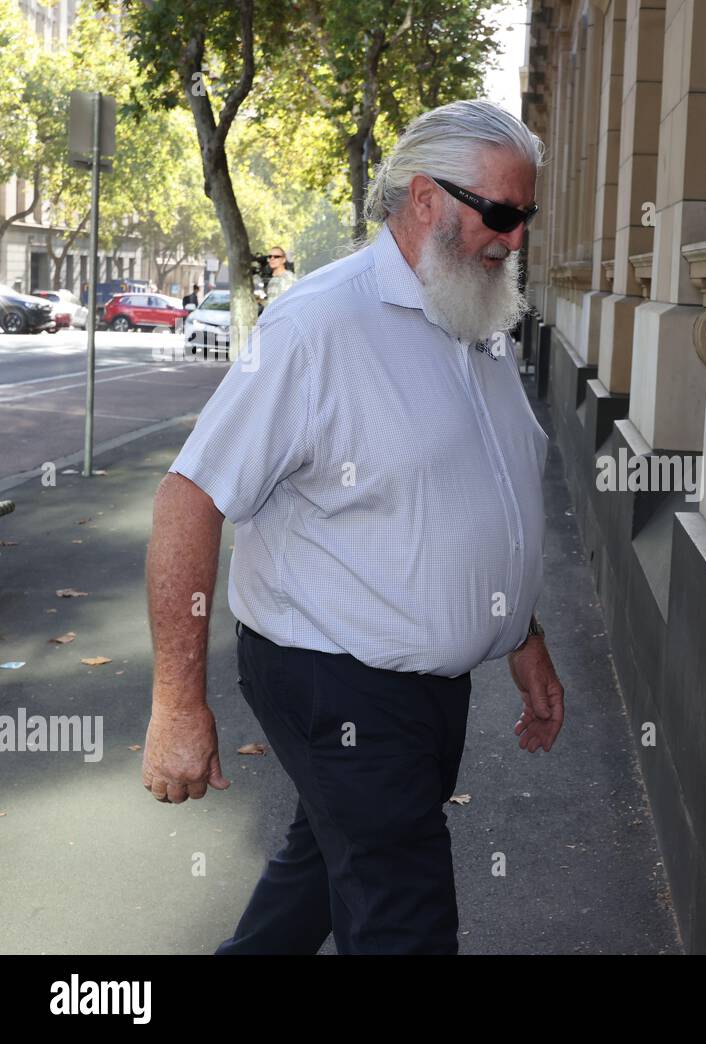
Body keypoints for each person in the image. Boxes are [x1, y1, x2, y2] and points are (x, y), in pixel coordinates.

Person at [142, 99, 555, 955]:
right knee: (401, 911)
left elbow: (479, 495)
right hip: (333, 677)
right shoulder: (317, 324)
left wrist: (523, 633)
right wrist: (177, 702)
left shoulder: (477, 317)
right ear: (425, 199)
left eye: (527, 217)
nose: (515, 239)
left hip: (422, 687)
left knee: (322, 875)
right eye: (503, 214)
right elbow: (191, 496)